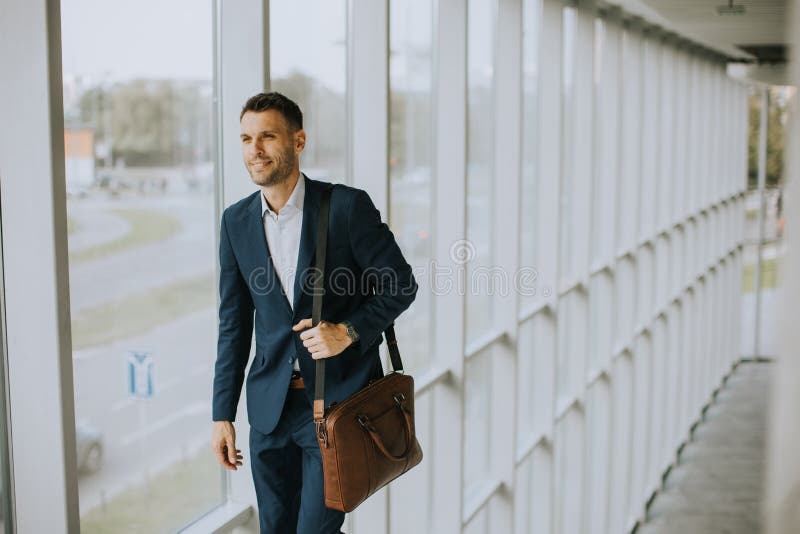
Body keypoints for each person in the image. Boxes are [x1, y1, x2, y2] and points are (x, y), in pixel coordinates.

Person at [210, 92, 418, 534]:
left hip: (337, 407)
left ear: (298, 140)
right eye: (247, 139)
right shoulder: (235, 222)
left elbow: (401, 284)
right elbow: (233, 326)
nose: (255, 149)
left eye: (267, 136)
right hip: (268, 414)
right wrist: (221, 413)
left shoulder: (345, 207)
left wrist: (348, 331)